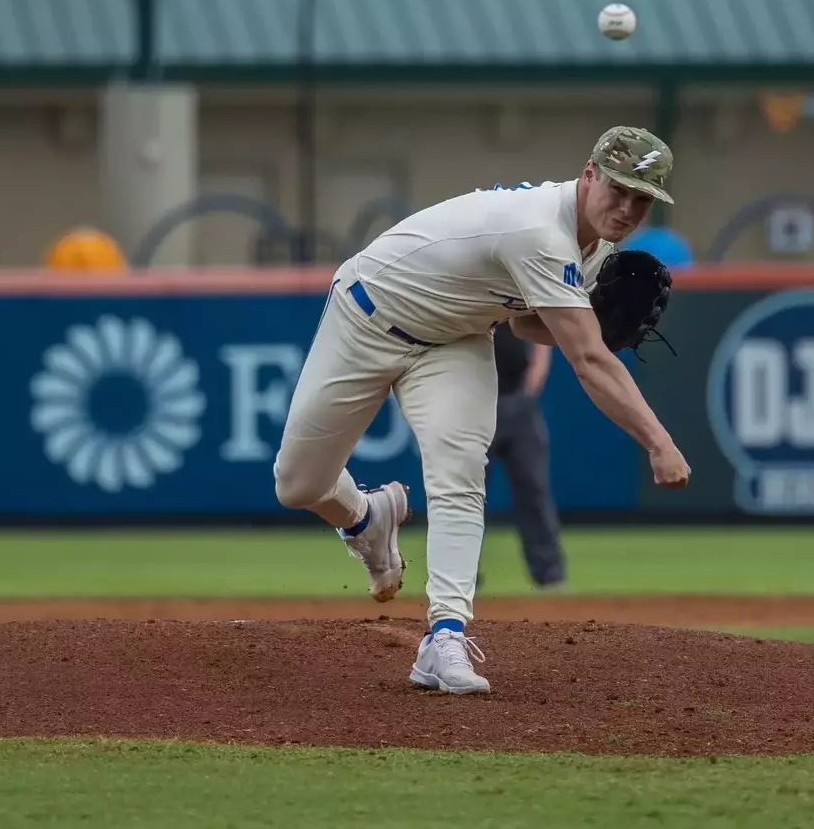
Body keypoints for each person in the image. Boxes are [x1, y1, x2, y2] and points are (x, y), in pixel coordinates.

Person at [272, 125, 691, 695]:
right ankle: (368, 520)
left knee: (460, 476)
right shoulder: (541, 231)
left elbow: (521, 321)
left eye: (641, 199)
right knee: (298, 485)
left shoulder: (594, 251)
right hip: (368, 316)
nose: (626, 207)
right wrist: (659, 443)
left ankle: (444, 637)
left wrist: (584, 323)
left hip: (457, 340)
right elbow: (589, 362)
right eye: (617, 188)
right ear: (588, 173)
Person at [487, 322, 565, 590]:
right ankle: (460, 581)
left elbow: (542, 330)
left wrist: (533, 381)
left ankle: (550, 576)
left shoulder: (516, 287)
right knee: (466, 497)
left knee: (534, 490)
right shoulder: (468, 288)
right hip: (475, 403)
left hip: (518, 400)